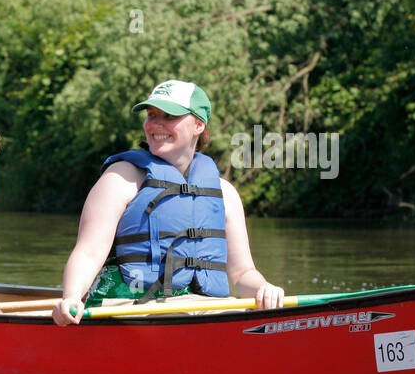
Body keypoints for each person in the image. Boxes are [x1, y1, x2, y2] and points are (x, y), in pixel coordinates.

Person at [52, 79, 284, 325]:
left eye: (169, 116)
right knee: (177, 316)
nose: (155, 124)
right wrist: (72, 296)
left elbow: (241, 274)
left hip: (202, 308)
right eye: (151, 115)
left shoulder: (225, 192)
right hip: (129, 307)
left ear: (198, 125)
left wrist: (263, 288)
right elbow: (89, 252)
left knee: (248, 317)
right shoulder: (121, 178)